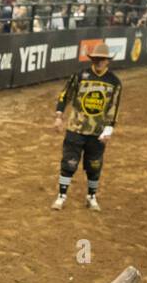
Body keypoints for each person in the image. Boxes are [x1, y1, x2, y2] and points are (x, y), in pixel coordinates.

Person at [51, 42, 121, 212]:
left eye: (102, 59)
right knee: (69, 163)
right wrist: (59, 116)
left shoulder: (114, 82)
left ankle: (91, 196)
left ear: (107, 61)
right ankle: (61, 196)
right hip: (76, 128)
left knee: (94, 166)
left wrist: (109, 129)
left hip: (97, 132)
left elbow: (114, 108)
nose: (99, 62)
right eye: (96, 59)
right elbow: (65, 95)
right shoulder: (80, 76)